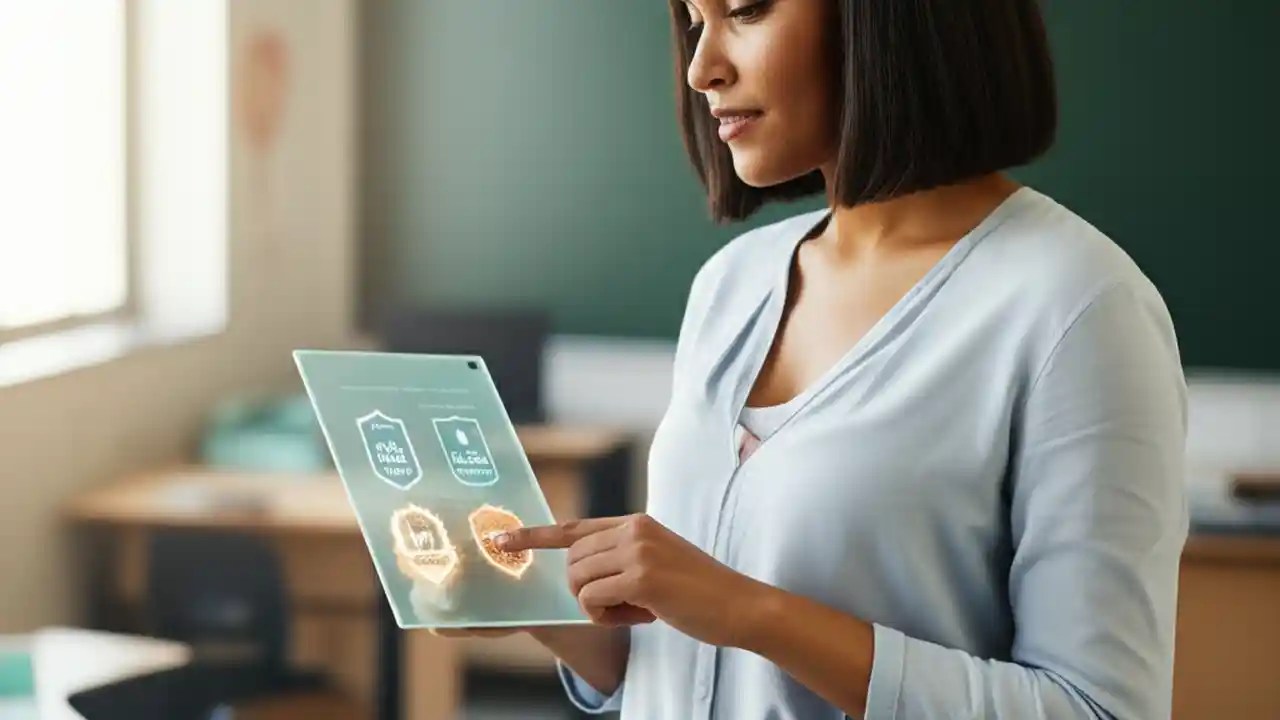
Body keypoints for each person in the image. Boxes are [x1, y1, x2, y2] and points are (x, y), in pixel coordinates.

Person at [436, 0, 1189, 717]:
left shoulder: (1078, 307)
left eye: (748, 11)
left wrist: (748, 609)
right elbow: (698, 667)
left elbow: (1095, 708)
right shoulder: (730, 284)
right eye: (694, 22)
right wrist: (543, 611)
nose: (702, 68)